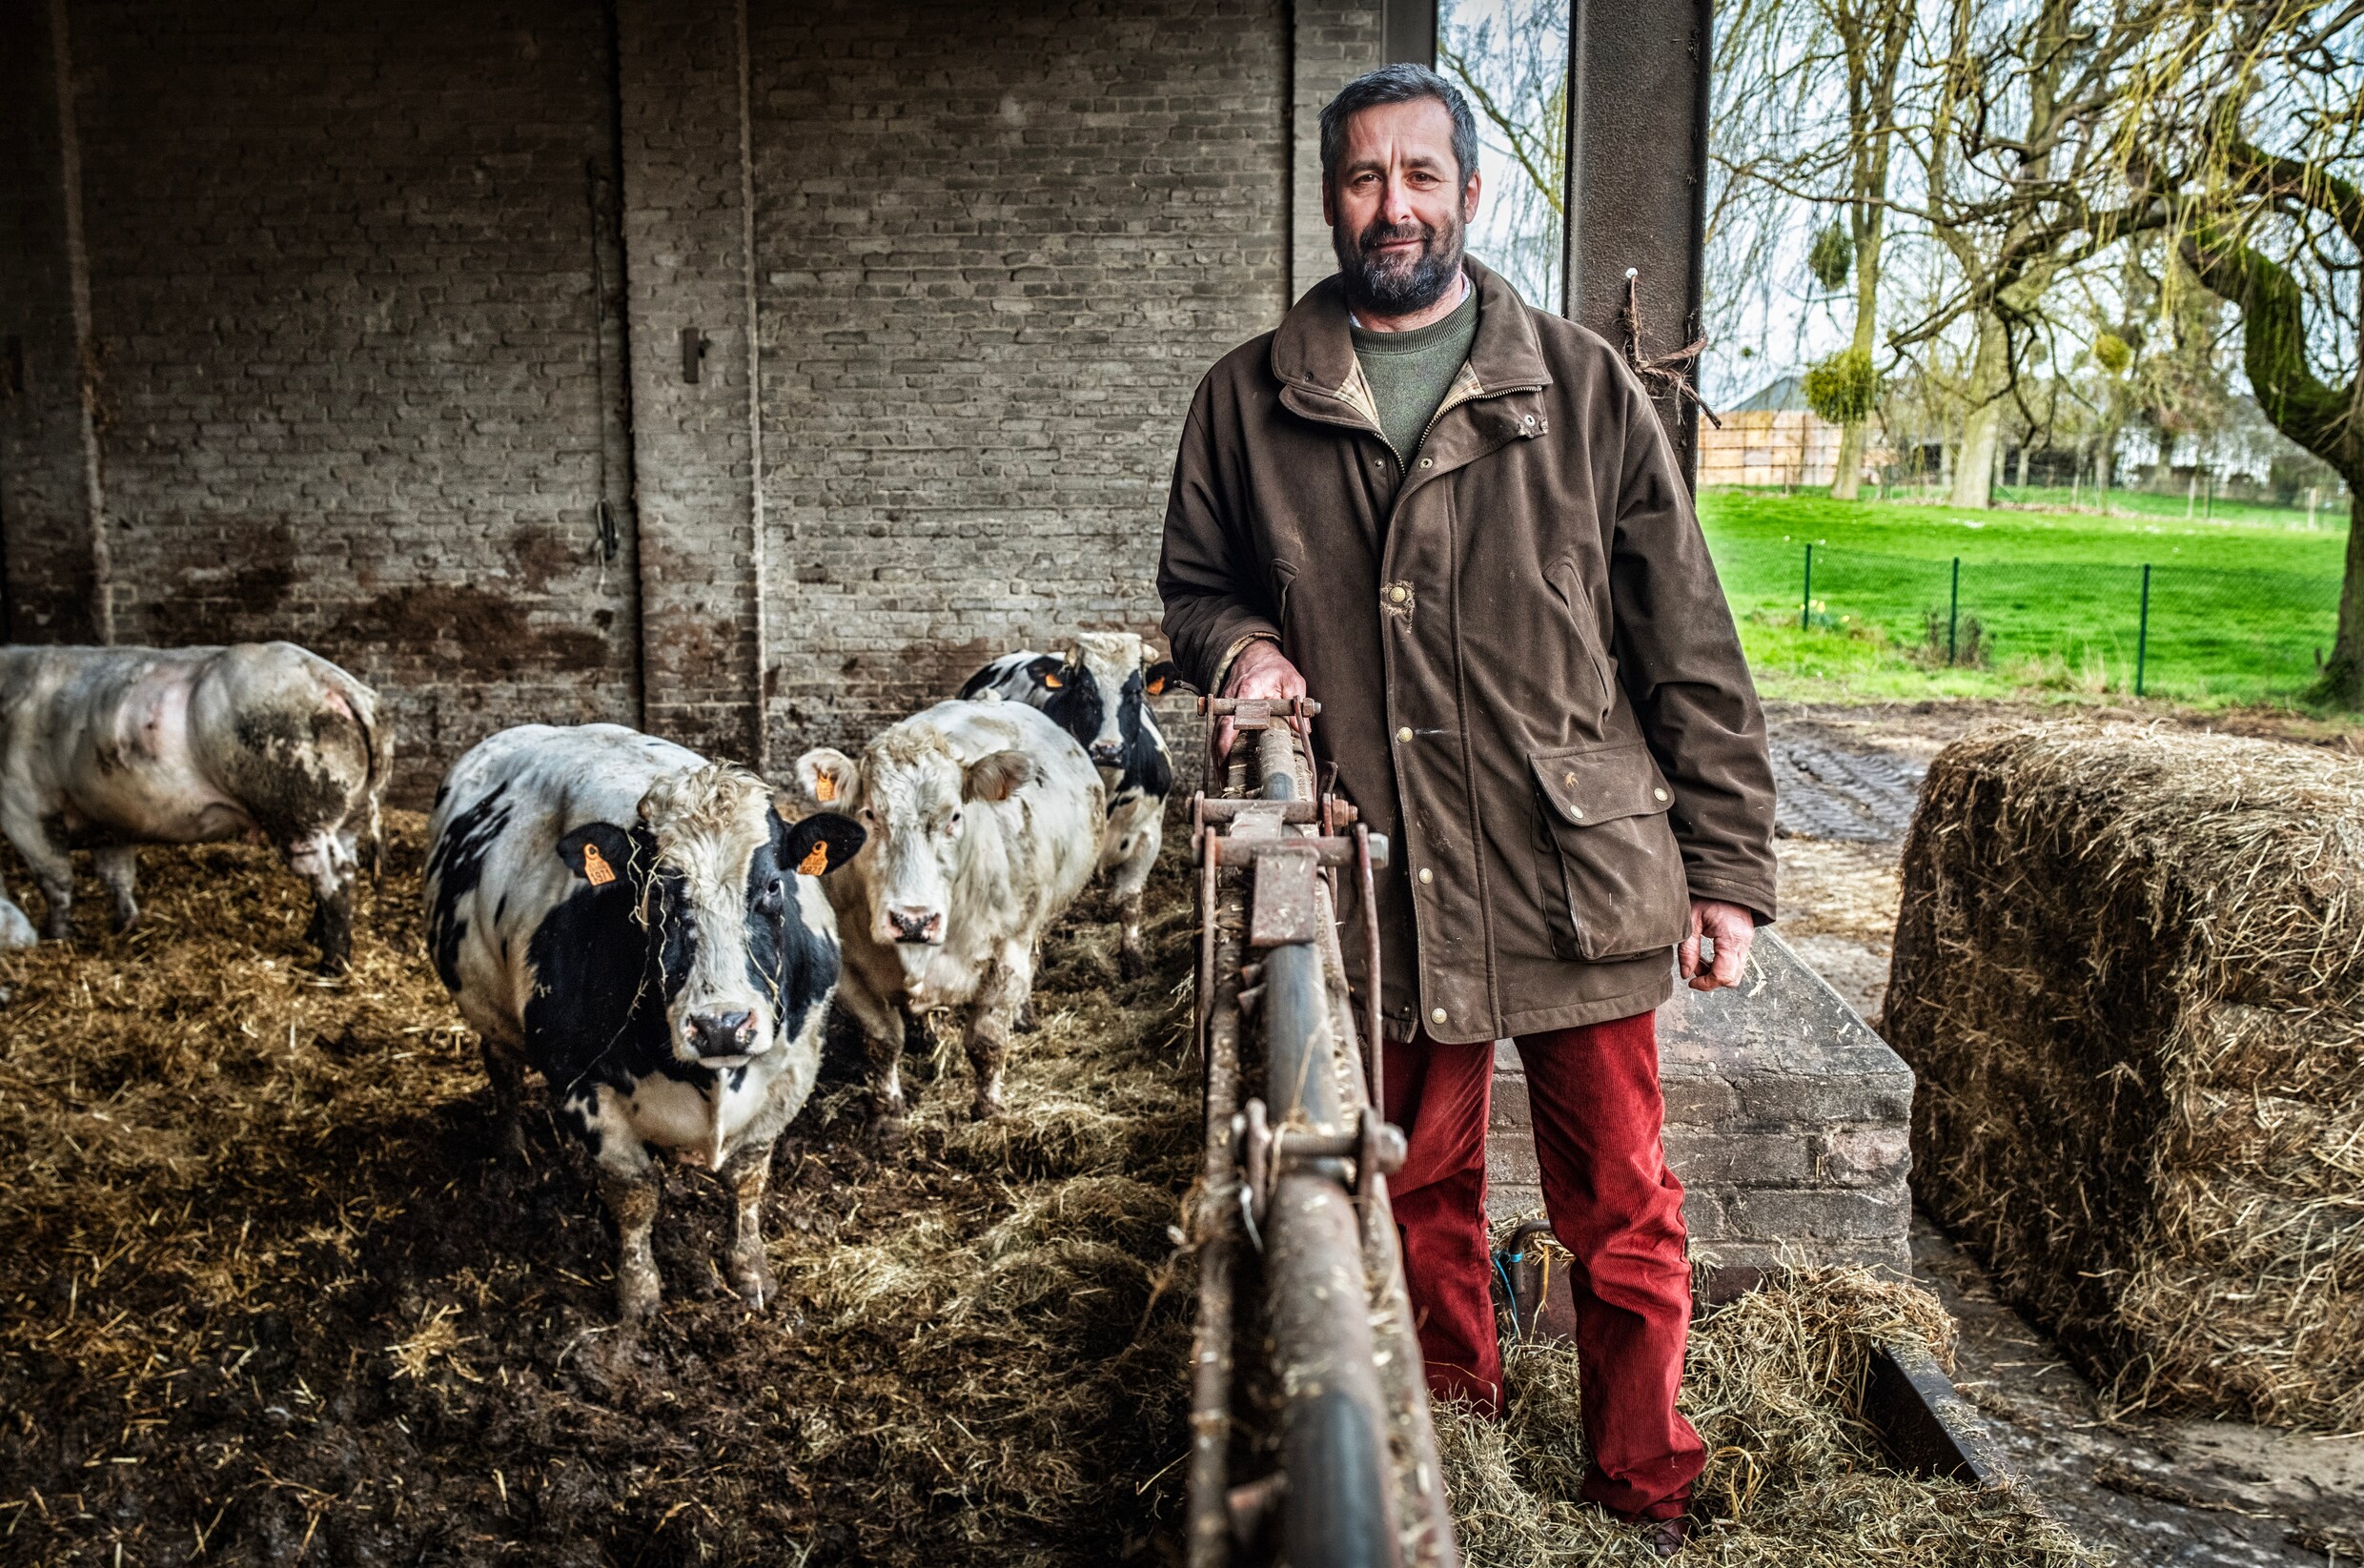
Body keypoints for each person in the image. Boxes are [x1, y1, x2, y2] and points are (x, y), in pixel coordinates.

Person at [1156, 63, 1776, 1554]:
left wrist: (1728, 872)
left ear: (1472, 192)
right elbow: (1197, 586)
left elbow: (1687, 641)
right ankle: (1460, 1452)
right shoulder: (1249, 399)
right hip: (1386, 866)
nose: (1395, 205)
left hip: (1579, 864)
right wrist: (1243, 645)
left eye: (1422, 175)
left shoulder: (1578, 385)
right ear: (1329, 199)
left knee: (1620, 1201)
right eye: (1366, 178)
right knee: (1416, 1183)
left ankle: (1646, 1487)